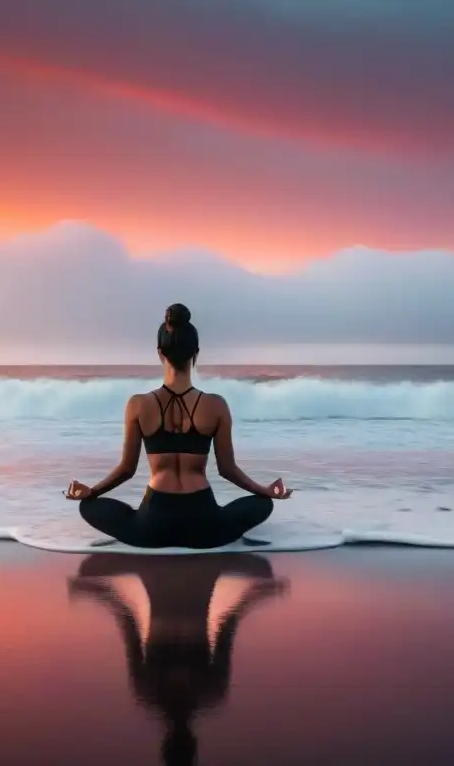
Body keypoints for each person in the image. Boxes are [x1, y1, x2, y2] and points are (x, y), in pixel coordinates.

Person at [65, 303, 293, 549]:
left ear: (160, 353)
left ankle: (145, 530)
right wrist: (264, 490)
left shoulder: (138, 405)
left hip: (152, 526)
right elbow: (227, 470)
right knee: (262, 504)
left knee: (89, 506)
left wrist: (92, 491)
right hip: (204, 524)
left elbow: (126, 470)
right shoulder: (216, 405)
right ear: (196, 353)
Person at [68, 553, 289, 766]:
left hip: (158, 563)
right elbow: (228, 625)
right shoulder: (205, 692)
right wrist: (260, 592)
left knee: (91, 564)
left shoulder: (154, 692)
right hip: (195, 565)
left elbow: (127, 620)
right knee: (261, 567)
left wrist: (95, 590)